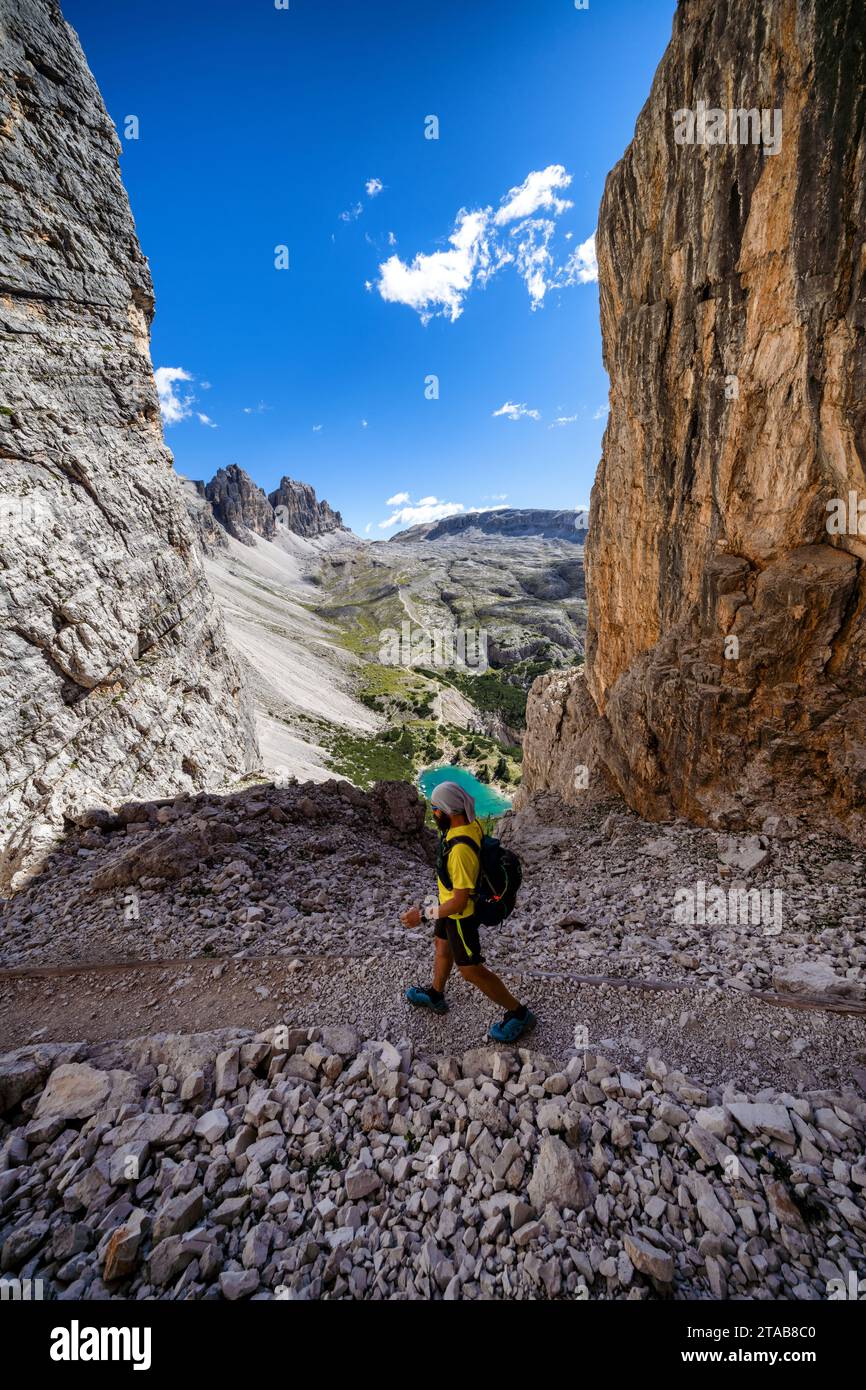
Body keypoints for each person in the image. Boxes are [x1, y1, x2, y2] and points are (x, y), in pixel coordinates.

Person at [400, 780, 536, 1043]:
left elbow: (460, 902)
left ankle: (519, 1014)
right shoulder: (467, 823)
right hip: (446, 908)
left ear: (448, 812)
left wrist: (424, 914)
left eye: (435, 809)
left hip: (459, 916)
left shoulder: (461, 850)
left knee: (471, 970)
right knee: (441, 949)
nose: (433, 813)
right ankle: (436, 995)